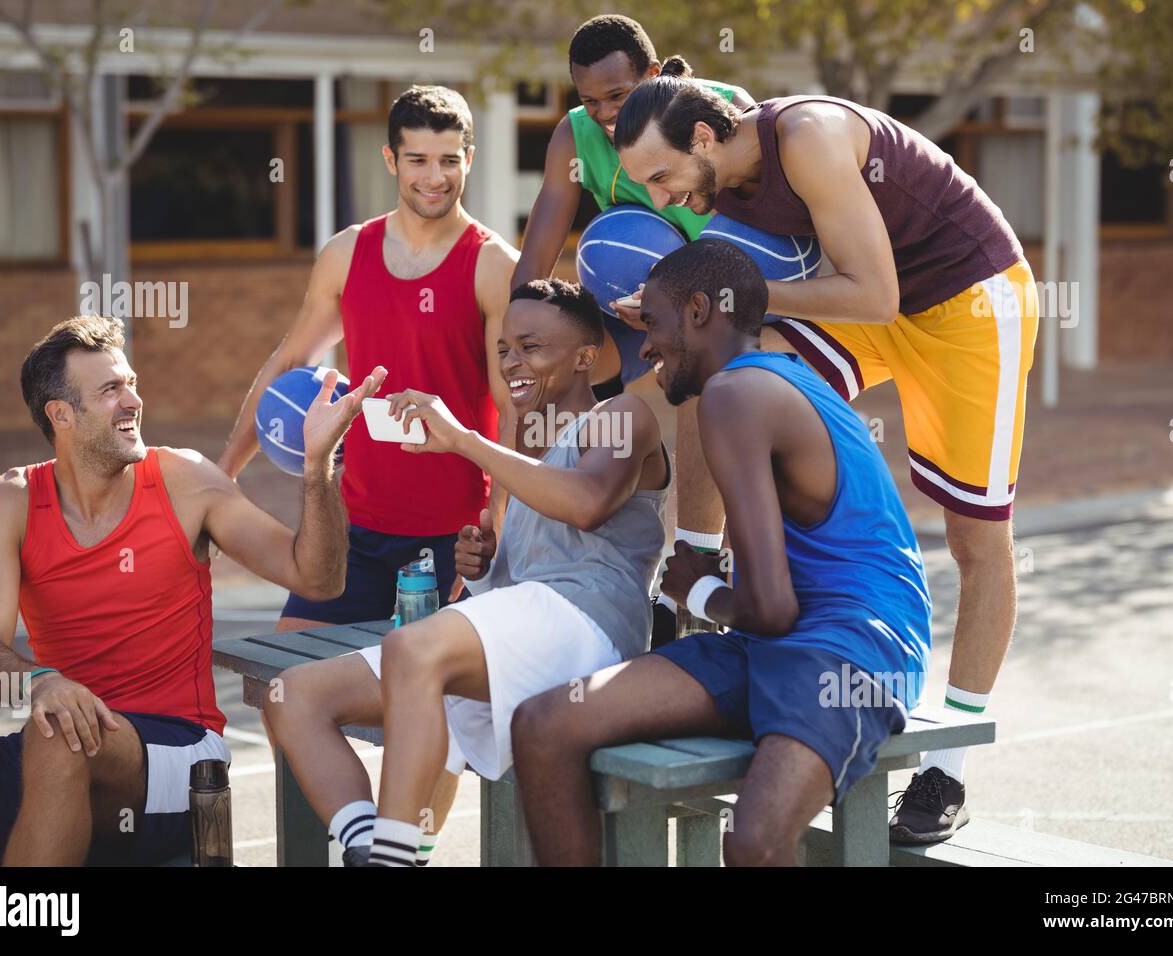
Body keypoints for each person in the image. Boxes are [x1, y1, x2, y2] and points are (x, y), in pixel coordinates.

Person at [613, 78, 1039, 841]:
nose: (663, 196)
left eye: (662, 175)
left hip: (968, 299)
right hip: (870, 303)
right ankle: (693, 592)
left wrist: (734, 293)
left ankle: (948, 771)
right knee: (717, 377)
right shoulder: (720, 183)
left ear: (705, 140)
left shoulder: (805, 136)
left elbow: (873, 294)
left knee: (977, 535)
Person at [511, 241, 931, 866]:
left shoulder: (736, 396)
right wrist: (712, 591)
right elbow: (770, 610)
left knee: (754, 845)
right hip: (773, 641)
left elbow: (769, 605)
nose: (646, 347)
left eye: (652, 323)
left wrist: (697, 589)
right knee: (545, 726)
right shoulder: (760, 382)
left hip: (853, 646)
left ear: (701, 310)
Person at [0, 315, 373, 866]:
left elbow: (318, 578)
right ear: (61, 415)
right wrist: (42, 683)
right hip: (64, 742)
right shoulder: (10, 500)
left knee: (61, 739)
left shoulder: (185, 480)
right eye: (112, 389)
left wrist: (316, 467)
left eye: (132, 383)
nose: (133, 401)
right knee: (51, 741)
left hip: (180, 751)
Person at [263, 278, 669, 866]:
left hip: (595, 629)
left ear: (586, 357)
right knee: (293, 695)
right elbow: (525, 582)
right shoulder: (526, 454)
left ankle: (391, 859)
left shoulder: (624, 414)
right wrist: (483, 569)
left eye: (532, 347)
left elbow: (588, 502)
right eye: (504, 348)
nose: (511, 362)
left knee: (412, 648)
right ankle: (367, 845)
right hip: (531, 633)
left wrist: (464, 440)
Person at [217, 85, 519, 861]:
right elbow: (289, 365)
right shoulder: (347, 252)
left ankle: (404, 850)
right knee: (282, 690)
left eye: (449, 160)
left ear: (469, 160)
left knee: (436, 721)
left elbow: (514, 413)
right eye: (417, 159)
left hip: (451, 538)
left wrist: (496, 526)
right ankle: (361, 835)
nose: (433, 175)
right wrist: (222, 481)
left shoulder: (491, 265)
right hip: (353, 529)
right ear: (390, 159)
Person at [512, 14, 752, 644]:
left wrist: (677, 294)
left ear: (654, 77)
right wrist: (524, 347)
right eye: (590, 101)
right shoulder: (574, 137)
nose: (605, 115)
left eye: (618, 97)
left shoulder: (721, 116)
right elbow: (537, 252)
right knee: (554, 374)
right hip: (625, 299)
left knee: (702, 380)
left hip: (725, 293)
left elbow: (767, 243)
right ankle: (545, 560)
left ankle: (696, 571)